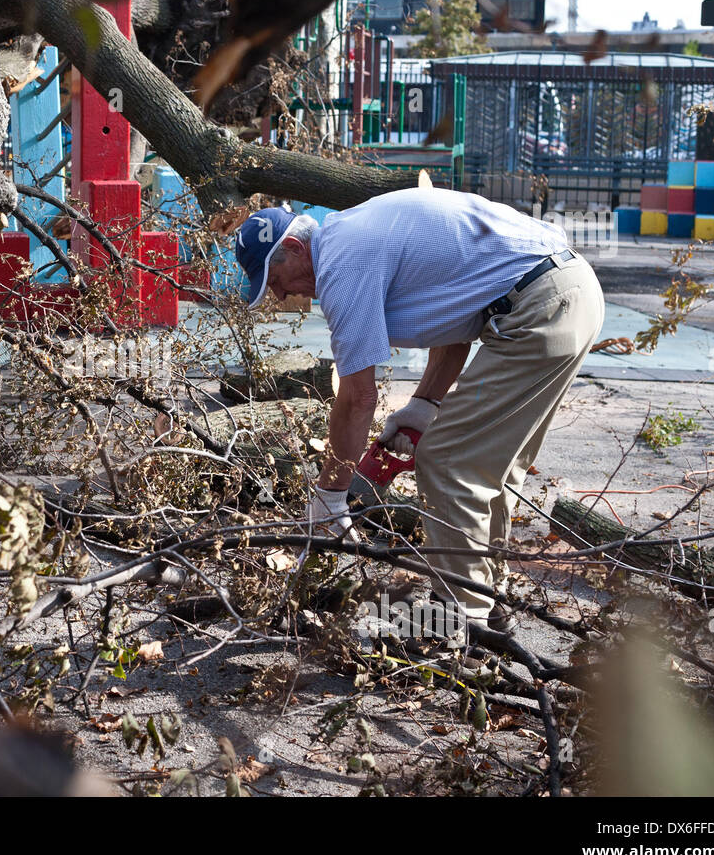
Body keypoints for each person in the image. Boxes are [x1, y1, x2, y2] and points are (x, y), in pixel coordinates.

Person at [232, 186, 604, 630]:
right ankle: (489, 595)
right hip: (568, 292)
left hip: (539, 308)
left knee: (448, 461)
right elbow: (458, 317)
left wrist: (330, 495)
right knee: (492, 466)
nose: (279, 295)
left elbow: (357, 398)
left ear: (293, 249)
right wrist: (424, 405)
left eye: (275, 281)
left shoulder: (340, 262)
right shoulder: (358, 232)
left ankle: (463, 625)